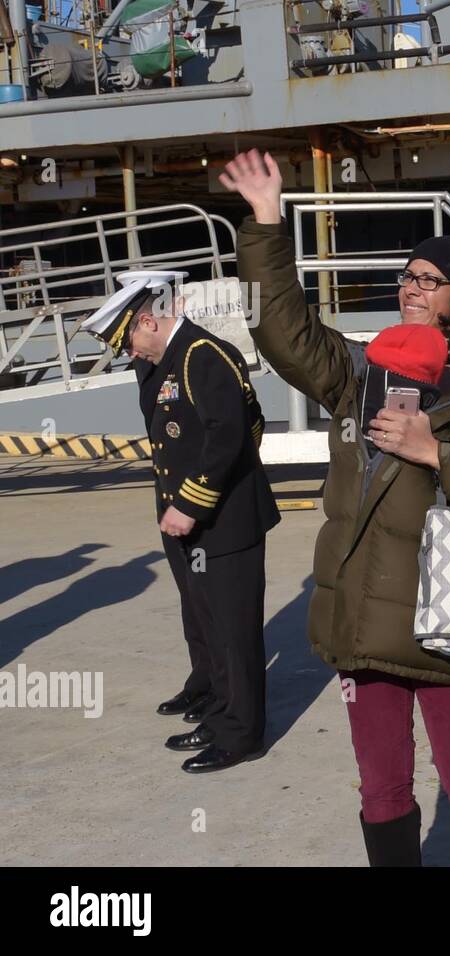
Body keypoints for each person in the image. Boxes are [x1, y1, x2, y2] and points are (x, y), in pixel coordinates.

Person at [221, 149, 450, 867]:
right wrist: (267, 222)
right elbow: (284, 333)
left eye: (430, 282)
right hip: (367, 621)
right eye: (408, 276)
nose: (411, 289)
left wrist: (439, 452)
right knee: (381, 788)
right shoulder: (366, 372)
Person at [84, 270, 279, 773]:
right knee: (203, 621)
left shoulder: (202, 354)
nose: (128, 352)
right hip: (186, 517)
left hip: (222, 517)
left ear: (148, 320)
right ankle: (216, 709)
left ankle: (241, 735)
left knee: (234, 632)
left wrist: (192, 502)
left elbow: (234, 432)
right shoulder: (168, 357)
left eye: (127, 339)